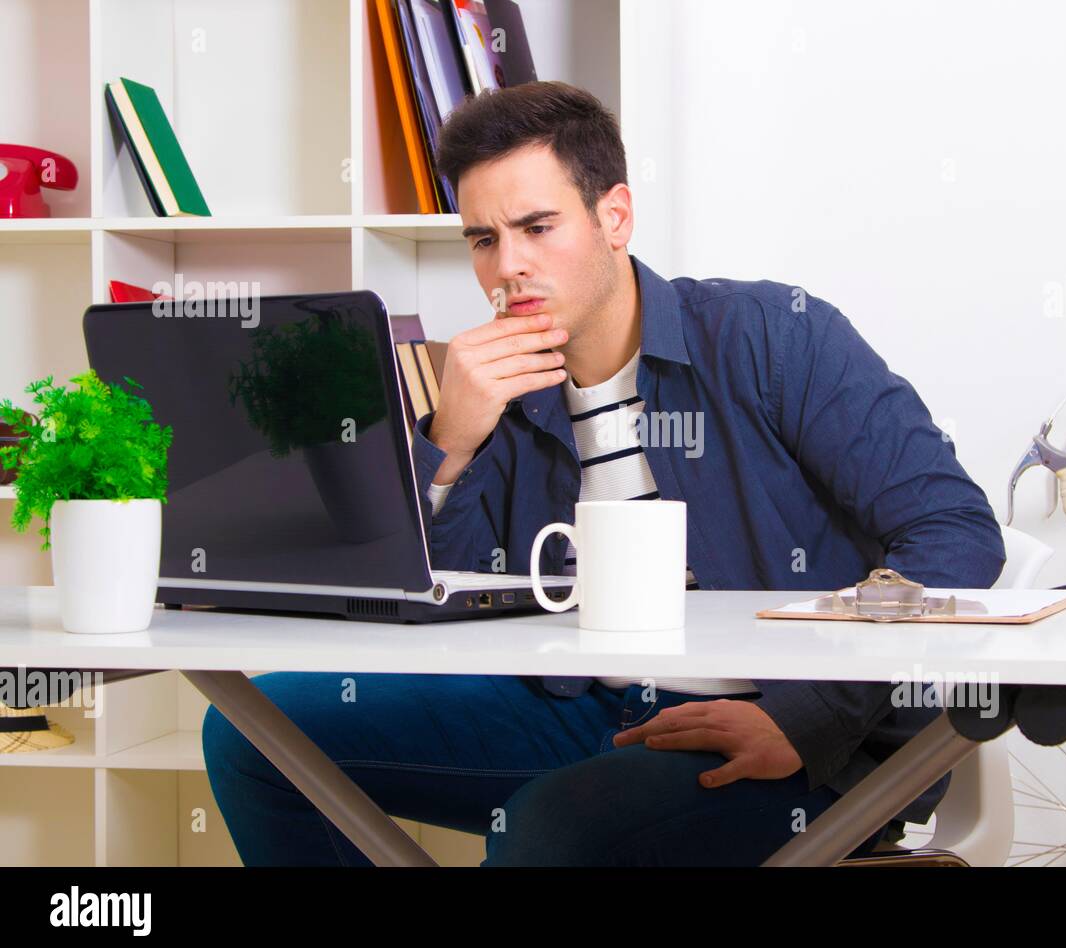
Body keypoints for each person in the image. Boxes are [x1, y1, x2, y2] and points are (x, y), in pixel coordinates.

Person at [201, 81, 1005, 866]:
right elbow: (442, 600)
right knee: (253, 731)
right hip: (573, 704)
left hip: (785, 729)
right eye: (483, 238)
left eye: (537, 227)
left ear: (613, 216)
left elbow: (955, 536)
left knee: (545, 829)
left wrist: (809, 715)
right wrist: (452, 435)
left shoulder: (774, 337)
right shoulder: (497, 393)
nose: (506, 268)